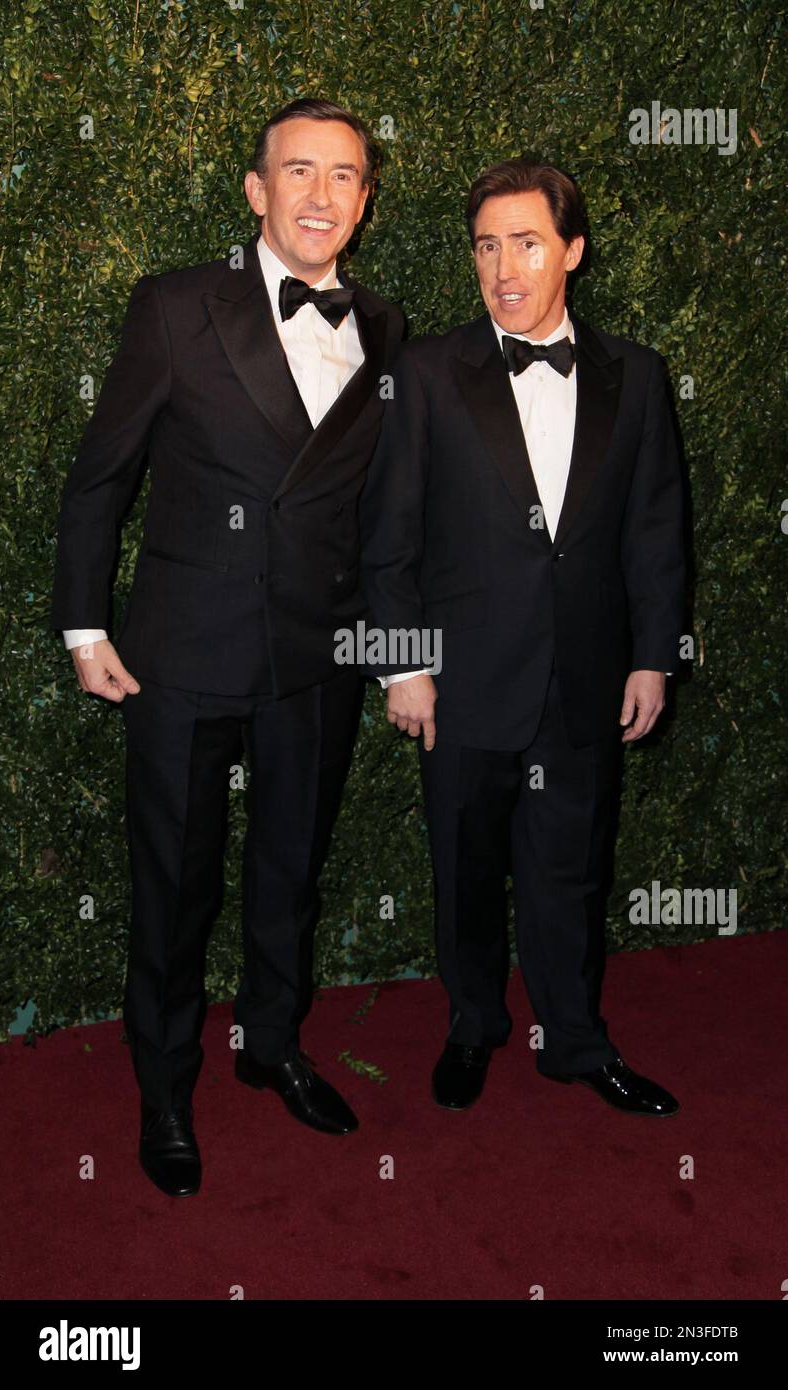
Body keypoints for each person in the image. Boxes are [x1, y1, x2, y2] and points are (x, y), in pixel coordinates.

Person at [51, 98, 404, 1196]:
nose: (318, 195)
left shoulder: (387, 329)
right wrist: (82, 619)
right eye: (296, 171)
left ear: (364, 200)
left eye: (343, 176)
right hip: (185, 647)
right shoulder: (173, 307)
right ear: (255, 191)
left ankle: (272, 1042)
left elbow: (387, 512)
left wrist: (398, 651)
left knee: (289, 868)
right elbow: (101, 475)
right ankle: (163, 1081)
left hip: (318, 653)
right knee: (173, 880)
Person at [359, 157, 685, 1117]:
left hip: (585, 680)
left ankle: (575, 1043)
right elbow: (387, 539)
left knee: (570, 871)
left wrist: (651, 655)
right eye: (487, 244)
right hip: (458, 683)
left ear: (572, 251)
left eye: (527, 241)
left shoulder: (638, 373)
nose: (503, 265)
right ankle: (472, 1026)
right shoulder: (423, 373)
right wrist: (401, 667)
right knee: (462, 872)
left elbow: (655, 530)